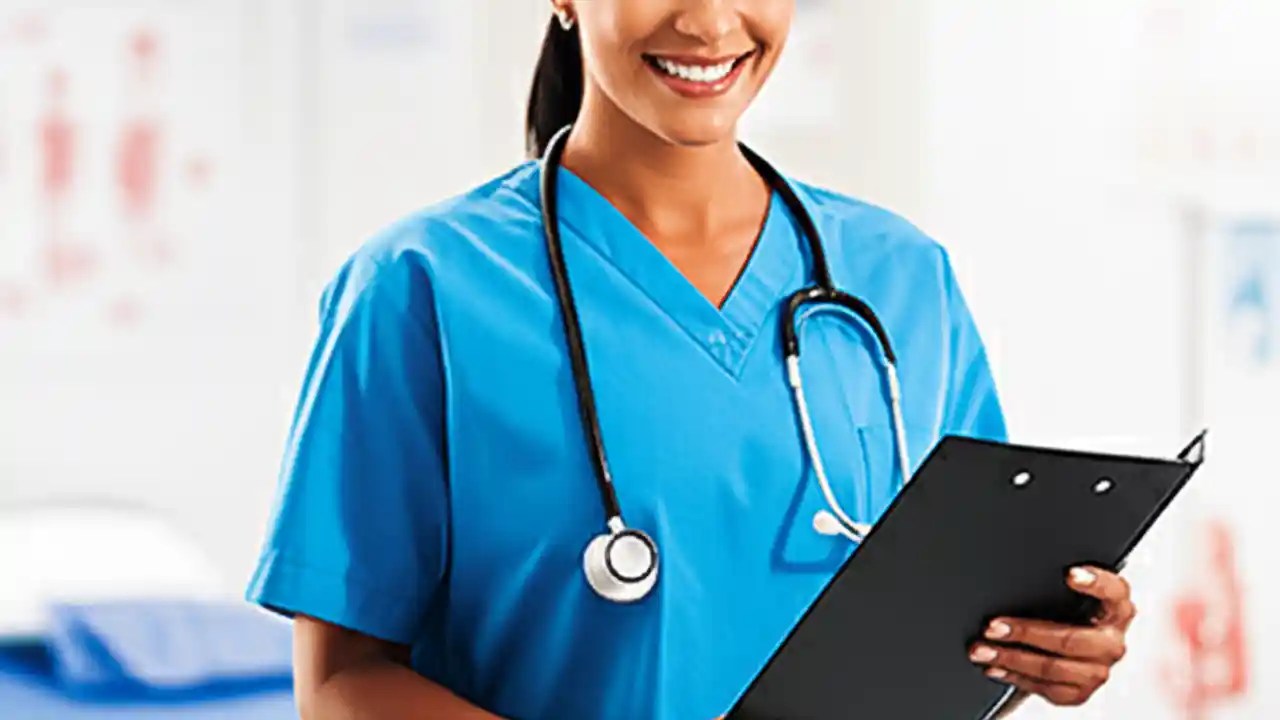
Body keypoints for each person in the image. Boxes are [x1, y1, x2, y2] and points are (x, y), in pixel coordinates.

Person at [246, 2, 1138, 718]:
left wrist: (1047, 652)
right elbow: (340, 683)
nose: (710, 24)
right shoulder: (423, 287)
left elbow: (956, 630)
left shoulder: (904, 278)